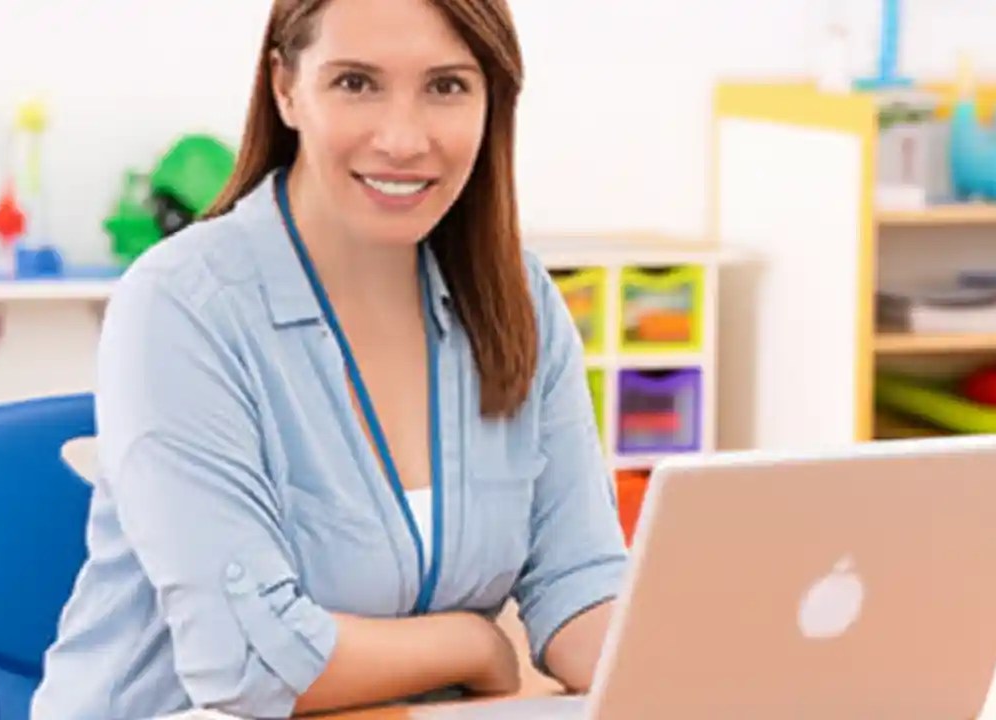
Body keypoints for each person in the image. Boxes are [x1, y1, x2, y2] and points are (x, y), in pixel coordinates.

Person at [31, 0, 628, 717]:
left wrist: (695, 664)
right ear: (286, 87)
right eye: (356, 83)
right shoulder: (182, 305)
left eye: (446, 86)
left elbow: (582, 584)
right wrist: (472, 645)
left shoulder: (517, 298)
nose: (404, 139)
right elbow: (249, 662)